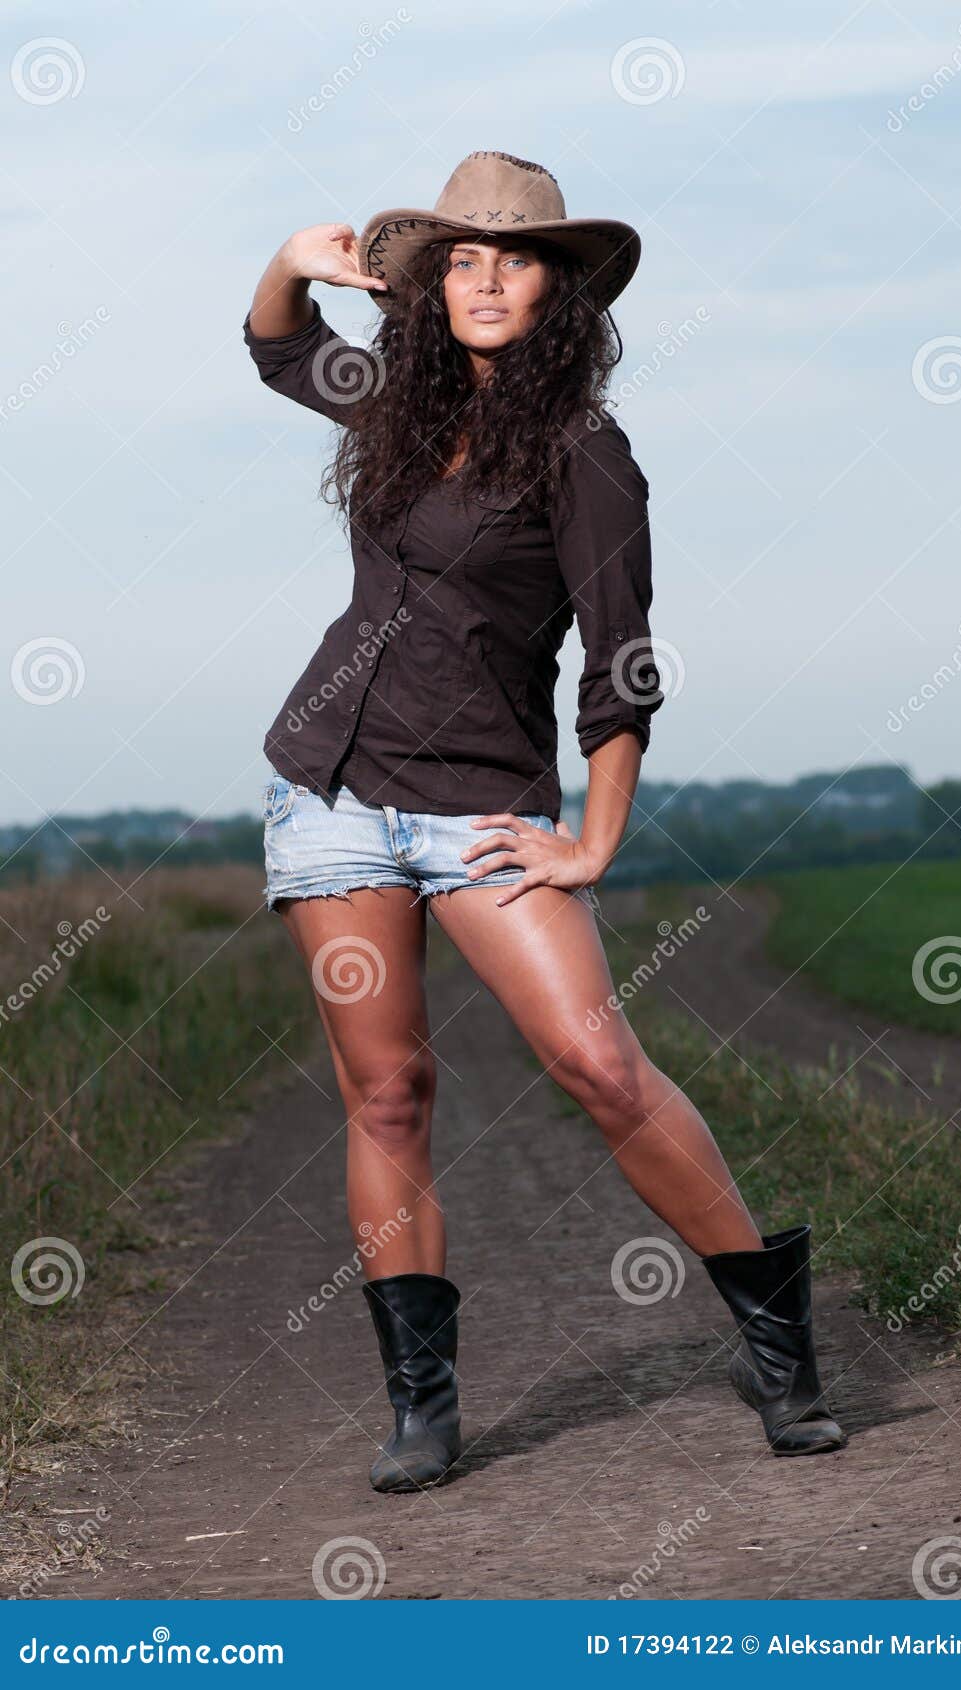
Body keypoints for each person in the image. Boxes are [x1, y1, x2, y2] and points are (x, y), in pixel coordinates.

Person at [243, 151, 846, 1493]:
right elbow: (281, 351)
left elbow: (621, 660)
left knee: (597, 1061)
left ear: (559, 288)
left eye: (514, 257)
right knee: (386, 1090)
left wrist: (594, 838)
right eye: (461, 256)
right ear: (429, 282)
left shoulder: (585, 453)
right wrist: (294, 258)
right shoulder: (392, 409)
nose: (485, 279)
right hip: (329, 793)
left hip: (481, 808)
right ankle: (421, 1402)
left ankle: (772, 1331)